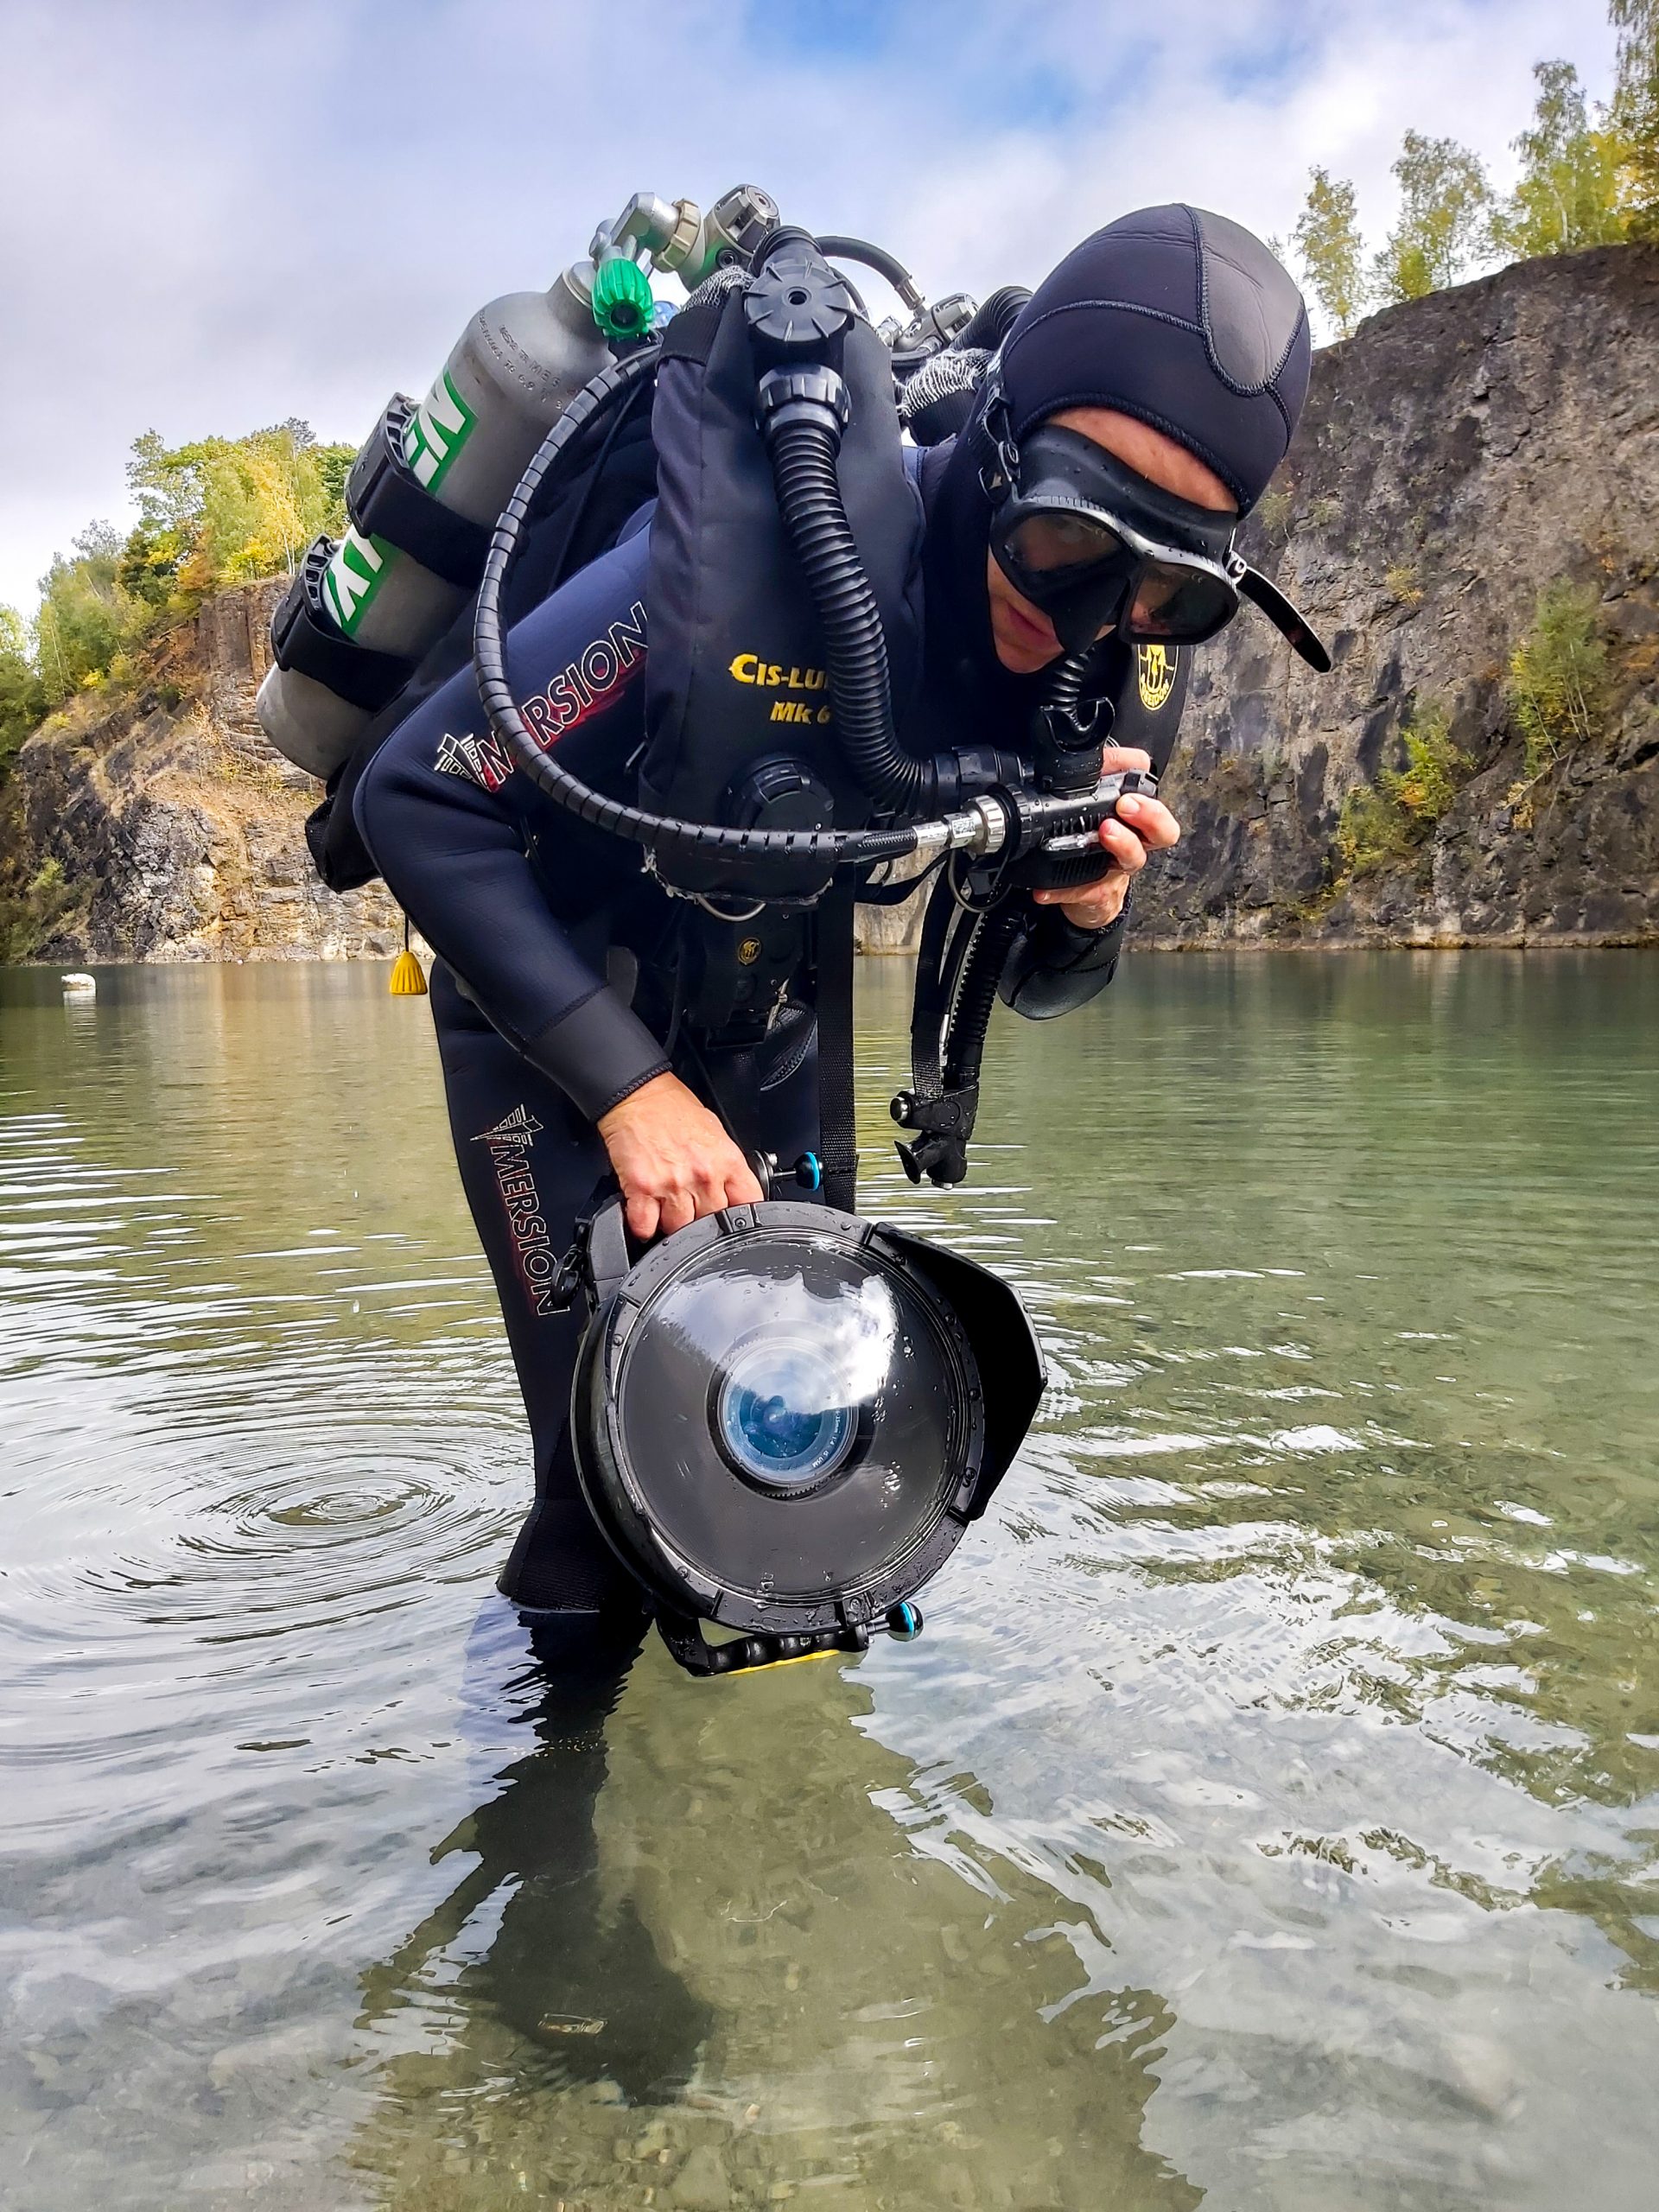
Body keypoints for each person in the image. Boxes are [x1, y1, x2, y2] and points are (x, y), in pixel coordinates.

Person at [354, 204, 1313, 1625]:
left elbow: (1045, 986)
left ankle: (801, 1822)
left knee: (815, 1448)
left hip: (778, 1007)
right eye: (1066, 540)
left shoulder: (1109, 673)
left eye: (1167, 587)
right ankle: (535, 1822)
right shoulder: (759, 548)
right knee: (601, 1494)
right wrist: (627, 1094)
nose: (1098, 617)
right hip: (549, 1008)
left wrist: (1090, 907)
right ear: (999, 451)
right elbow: (414, 797)